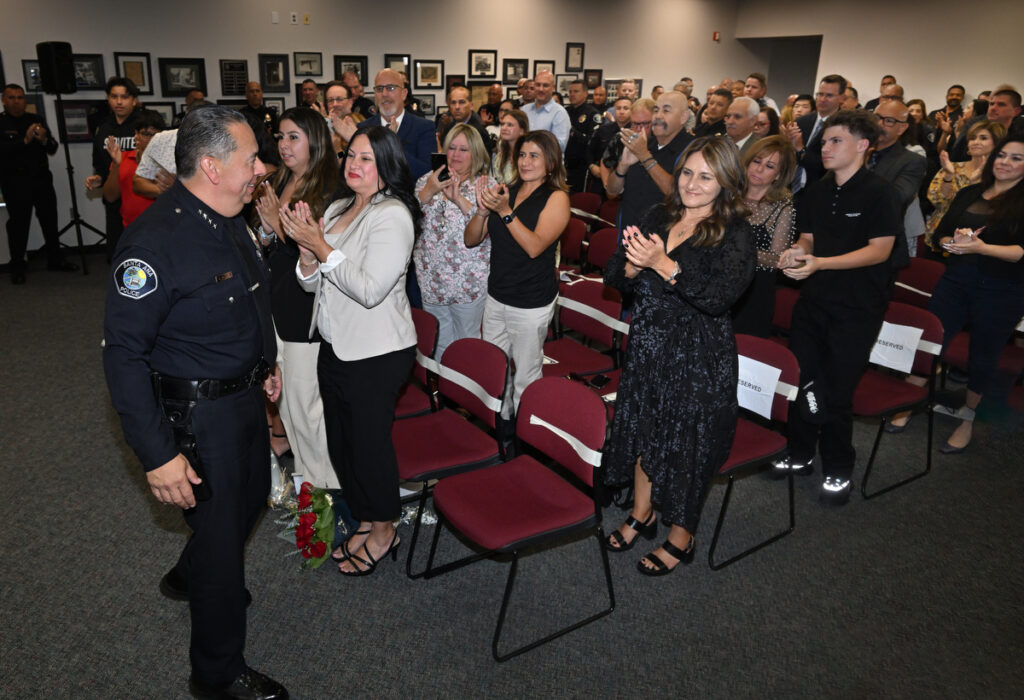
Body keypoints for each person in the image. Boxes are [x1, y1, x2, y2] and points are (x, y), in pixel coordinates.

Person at [103, 105, 287, 699]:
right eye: (251, 159)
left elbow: (249, 296)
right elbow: (124, 357)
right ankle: (216, 674)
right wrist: (157, 457)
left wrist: (265, 365)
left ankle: (193, 572)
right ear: (210, 166)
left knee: (251, 498)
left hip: (241, 399)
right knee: (219, 546)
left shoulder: (227, 215)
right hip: (198, 416)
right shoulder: (155, 241)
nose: (262, 167)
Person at [602, 135, 755, 575]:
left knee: (687, 447)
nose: (691, 183)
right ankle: (641, 512)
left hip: (698, 358)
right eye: (687, 172)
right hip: (649, 348)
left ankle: (680, 538)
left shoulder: (736, 232)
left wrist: (664, 265)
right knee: (643, 432)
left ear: (727, 181)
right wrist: (633, 265)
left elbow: (717, 299)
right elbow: (617, 273)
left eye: (706, 176)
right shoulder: (659, 214)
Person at [281, 126, 421, 575]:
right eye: (350, 156)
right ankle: (365, 518)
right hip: (336, 343)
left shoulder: (393, 215)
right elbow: (313, 284)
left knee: (368, 446)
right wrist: (306, 255)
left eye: (365, 158)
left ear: (386, 165)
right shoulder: (340, 205)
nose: (353, 166)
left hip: (378, 352)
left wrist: (319, 245)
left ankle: (385, 530)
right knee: (341, 444)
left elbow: (368, 289)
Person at [775, 110, 903, 505]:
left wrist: (821, 263)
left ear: (862, 146)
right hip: (815, 301)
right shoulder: (817, 191)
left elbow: (880, 252)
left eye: (835, 142)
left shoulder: (881, 193)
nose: (824, 149)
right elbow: (810, 238)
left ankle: (838, 467)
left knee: (836, 391)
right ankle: (799, 453)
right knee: (804, 381)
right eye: (824, 141)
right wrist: (798, 252)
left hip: (857, 308)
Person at [252, 108, 341, 489]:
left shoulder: (331, 189)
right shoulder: (283, 179)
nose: (283, 145)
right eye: (281, 137)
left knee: (308, 409)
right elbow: (273, 243)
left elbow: (326, 253)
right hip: (278, 300)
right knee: (287, 405)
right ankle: (310, 484)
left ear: (315, 141)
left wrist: (278, 227)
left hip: (307, 309)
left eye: (293, 137)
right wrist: (269, 233)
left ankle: (328, 494)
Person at [919, 137, 1024, 453]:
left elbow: (1021, 253)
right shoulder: (970, 192)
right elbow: (941, 234)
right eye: (1002, 155)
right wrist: (954, 241)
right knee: (930, 341)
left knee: (983, 355)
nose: (1005, 162)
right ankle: (909, 401)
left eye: (1016, 158)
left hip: (1003, 289)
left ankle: (968, 420)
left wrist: (981, 247)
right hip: (957, 280)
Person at [465, 130, 570, 417]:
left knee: (525, 373)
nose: (525, 162)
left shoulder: (556, 198)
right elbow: (471, 239)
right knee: (496, 370)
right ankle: (502, 423)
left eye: (534, 156)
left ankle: (527, 436)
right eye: (522, 155)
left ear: (550, 162)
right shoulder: (506, 189)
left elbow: (534, 247)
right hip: (497, 293)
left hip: (531, 299)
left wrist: (506, 212)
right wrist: (483, 211)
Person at [413, 124, 495, 356]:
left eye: (464, 150)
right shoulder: (426, 181)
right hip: (431, 279)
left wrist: (459, 198)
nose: (456, 155)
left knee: (468, 344)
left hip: (468, 282)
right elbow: (405, 220)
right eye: (451, 148)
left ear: (476, 153)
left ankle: (467, 391)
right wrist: (428, 192)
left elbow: (486, 229)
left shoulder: (486, 185)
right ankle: (445, 390)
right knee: (438, 343)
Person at [0, 83, 78, 285]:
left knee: (50, 221)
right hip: (15, 183)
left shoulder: (36, 120)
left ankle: (55, 259)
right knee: (18, 225)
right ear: (3, 100)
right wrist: (24, 141)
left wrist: (43, 140)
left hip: (41, 180)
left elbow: (52, 147)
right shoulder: (1, 122)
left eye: (20, 97)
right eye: (11, 97)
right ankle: (17, 266)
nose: (16, 101)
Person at [731, 136, 797, 336]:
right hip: (718, 284)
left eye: (769, 166)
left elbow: (778, 259)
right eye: (756, 161)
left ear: (779, 175)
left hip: (754, 293)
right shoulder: (728, 195)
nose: (758, 169)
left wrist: (738, 251)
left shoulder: (783, 208)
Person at [607, 92, 693, 233]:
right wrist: (623, 166)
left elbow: (677, 193)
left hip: (663, 242)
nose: (658, 116)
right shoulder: (644, 144)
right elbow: (611, 191)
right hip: (628, 236)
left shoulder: (693, 150)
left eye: (666, 110)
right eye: (656, 110)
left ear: (683, 117)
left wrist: (644, 156)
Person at [925, 121, 1006, 245]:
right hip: (941, 237)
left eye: (983, 138)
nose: (976, 142)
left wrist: (975, 181)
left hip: (978, 241)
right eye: (972, 138)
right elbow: (938, 202)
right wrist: (948, 175)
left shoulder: (1000, 176)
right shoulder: (952, 167)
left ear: (997, 143)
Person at [85, 77, 141, 259]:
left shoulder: (145, 126)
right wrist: (98, 179)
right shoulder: (103, 128)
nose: (119, 101)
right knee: (118, 253)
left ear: (134, 100)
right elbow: (101, 166)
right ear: (108, 99)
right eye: (114, 96)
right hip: (114, 198)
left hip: (141, 197)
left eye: (124, 97)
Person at [101, 109, 166, 228]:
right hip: (131, 229)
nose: (152, 139)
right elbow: (110, 197)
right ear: (136, 135)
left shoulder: (168, 161)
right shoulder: (123, 158)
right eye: (146, 134)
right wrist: (116, 165)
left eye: (156, 135)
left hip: (163, 228)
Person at [786, 75, 847, 192]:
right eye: (820, 94)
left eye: (829, 95)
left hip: (820, 190)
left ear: (842, 98)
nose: (822, 99)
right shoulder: (802, 121)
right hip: (790, 187)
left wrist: (800, 149)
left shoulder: (844, 126)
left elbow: (829, 167)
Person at [564, 79, 601, 192]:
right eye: (570, 92)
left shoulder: (592, 114)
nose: (572, 94)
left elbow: (593, 141)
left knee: (577, 199)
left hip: (581, 166)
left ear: (585, 93)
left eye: (576, 91)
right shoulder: (565, 112)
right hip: (564, 163)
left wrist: (573, 132)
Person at [521, 71, 570, 152]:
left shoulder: (560, 113)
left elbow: (558, 147)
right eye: (538, 85)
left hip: (548, 163)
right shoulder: (524, 110)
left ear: (553, 87)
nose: (541, 89)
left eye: (545, 85)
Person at [491, 108, 528, 185]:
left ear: (522, 131)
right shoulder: (500, 155)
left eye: (510, 125)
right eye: (502, 124)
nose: (504, 128)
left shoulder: (528, 156)